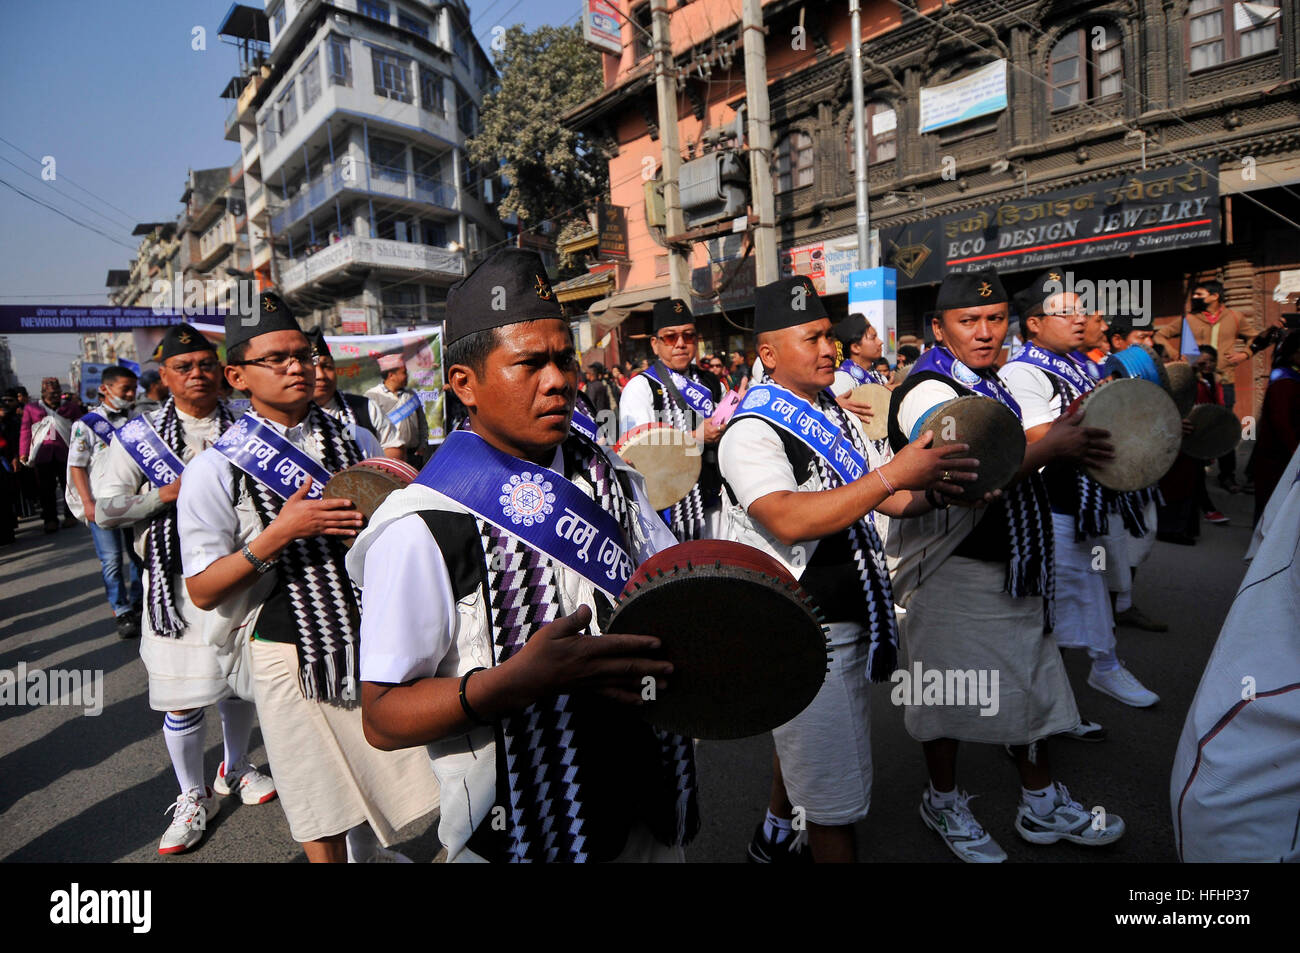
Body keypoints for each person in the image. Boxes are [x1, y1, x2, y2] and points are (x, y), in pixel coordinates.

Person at [348, 247, 698, 863]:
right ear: (465, 385)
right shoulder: (424, 523)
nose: (559, 378)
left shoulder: (609, 476)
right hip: (520, 832)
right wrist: (512, 684)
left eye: (564, 358)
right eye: (529, 363)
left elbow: (665, 590)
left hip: (645, 806)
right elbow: (382, 717)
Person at [721, 275, 977, 864]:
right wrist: (894, 475)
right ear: (769, 355)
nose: (828, 347)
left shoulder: (829, 409)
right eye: (810, 338)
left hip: (849, 613)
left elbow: (885, 497)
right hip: (803, 630)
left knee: (815, 751)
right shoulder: (753, 429)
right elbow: (786, 517)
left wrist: (942, 490)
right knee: (835, 802)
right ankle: (796, 834)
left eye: (828, 337)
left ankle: (773, 832)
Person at [178, 292, 439, 863]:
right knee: (313, 786)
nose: (297, 366)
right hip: (286, 646)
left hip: (368, 634)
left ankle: (371, 857)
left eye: (303, 354)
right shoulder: (215, 467)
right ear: (237, 374)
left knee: (379, 768)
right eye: (276, 358)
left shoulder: (358, 441)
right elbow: (201, 589)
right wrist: (278, 534)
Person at [887, 268, 1125, 863]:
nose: (986, 332)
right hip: (952, 566)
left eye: (995, 320)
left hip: (1015, 560)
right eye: (969, 322)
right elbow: (965, 474)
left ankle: (1040, 803)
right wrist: (1053, 447)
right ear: (939, 330)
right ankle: (942, 799)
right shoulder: (927, 390)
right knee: (940, 692)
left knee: (1034, 685)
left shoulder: (993, 381)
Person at [93, 324, 276, 854]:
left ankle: (236, 766)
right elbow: (104, 509)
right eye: (183, 367)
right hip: (171, 589)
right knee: (184, 696)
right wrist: (165, 495)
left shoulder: (249, 425)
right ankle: (193, 794)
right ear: (165, 377)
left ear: (222, 370)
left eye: (205, 364)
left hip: (243, 576)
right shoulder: (137, 437)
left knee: (238, 685)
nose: (197, 374)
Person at [1001, 272, 1160, 709]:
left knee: (1086, 594)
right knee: (1062, 601)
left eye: (1081, 311)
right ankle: (1070, 690)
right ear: (1034, 324)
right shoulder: (1022, 371)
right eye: (1065, 312)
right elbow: (1040, 438)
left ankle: (1075, 685)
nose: (1079, 320)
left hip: (1089, 501)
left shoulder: (1081, 365)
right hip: (1053, 507)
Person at [618, 298, 726, 540]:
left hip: (717, 500)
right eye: (670, 337)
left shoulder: (711, 383)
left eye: (688, 336)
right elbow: (639, 454)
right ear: (655, 344)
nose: (680, 344)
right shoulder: (640, 388)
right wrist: (697, 438)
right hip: (668, 510)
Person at [1155, 279, 1258, 492]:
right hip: (1194, 382)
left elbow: (1254, 338)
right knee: (1192, 424)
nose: (1195, 297)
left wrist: (1244, 354)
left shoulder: (1236, 318)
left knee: (1223, 426)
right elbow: (1160, 335)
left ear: (1215, 296)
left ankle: (1227, 476)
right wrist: (1176, 354)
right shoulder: (1189, 319)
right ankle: (1195, 471)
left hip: (1224, 380)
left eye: (1200, 294)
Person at [1099, 316, 1168, 631]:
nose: (1150, 343)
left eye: (1152, 336)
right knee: (1111, 545)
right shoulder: (1100, 372)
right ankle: (1107, 611)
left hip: (1141, 471)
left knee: (1140, 535)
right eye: (1143, 336)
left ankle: (1123, 605)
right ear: (1117, 342)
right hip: (1110, 475)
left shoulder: (1147, 374)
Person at [66, 365, 144, 638]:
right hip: (101, 503)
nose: (131, 394)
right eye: (126, 389)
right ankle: (120, 609)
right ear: (104, 389)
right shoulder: (85, 424)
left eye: (134, 389)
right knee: (111, 560)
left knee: (138, 555)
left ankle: (138, 603)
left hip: (134, 501)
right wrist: (86, 502)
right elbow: (77, 466)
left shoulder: (137, 419)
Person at [304, 329, 403, 460]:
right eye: (313, 367)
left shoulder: (365, 407)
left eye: (327, 366)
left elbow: (393, 448)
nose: (321, 376)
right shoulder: (291, 415)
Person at [19, 377, 79, 532]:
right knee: (46, 489)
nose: (54, 396)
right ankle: (50, 519)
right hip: (43, 454)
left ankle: (71, 516)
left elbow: (81, 429)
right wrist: (23, 452)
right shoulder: (32, 409)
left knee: (69, 485)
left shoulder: (70, 408)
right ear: (43, 393)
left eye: (57, 392)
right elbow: (26, 431)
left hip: (66, 452)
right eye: (50, 393)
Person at [1253, 331, 1300, 523]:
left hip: (1287, 456)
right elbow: (1282, 423)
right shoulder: (1284, 381)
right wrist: (1295, 451)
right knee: (1273, 509)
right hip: (1278, 458)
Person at [365, 353, 428, 467]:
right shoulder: (372, 396)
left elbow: (422, 422)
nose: (407, 376)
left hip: (414, 455)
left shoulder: (411, 395)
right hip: (387, 457)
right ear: (391, 375)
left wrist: (422, 446)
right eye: (403, 373)